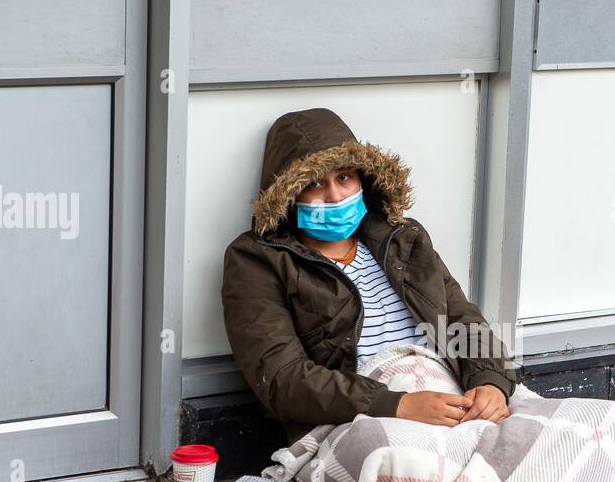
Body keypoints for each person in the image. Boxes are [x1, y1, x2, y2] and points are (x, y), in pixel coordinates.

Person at [222, 107, 518, 448]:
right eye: (315, 184)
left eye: (345, 177)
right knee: (411, 470)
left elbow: (463, 320)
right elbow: (281, 379)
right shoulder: (256, 260)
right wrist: (397, 404)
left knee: (583, 430)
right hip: (359, 419)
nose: (335, 196)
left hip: (451, 396)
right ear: (288, 195)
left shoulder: (404, 239)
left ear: (363, 179)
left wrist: (491, 382)